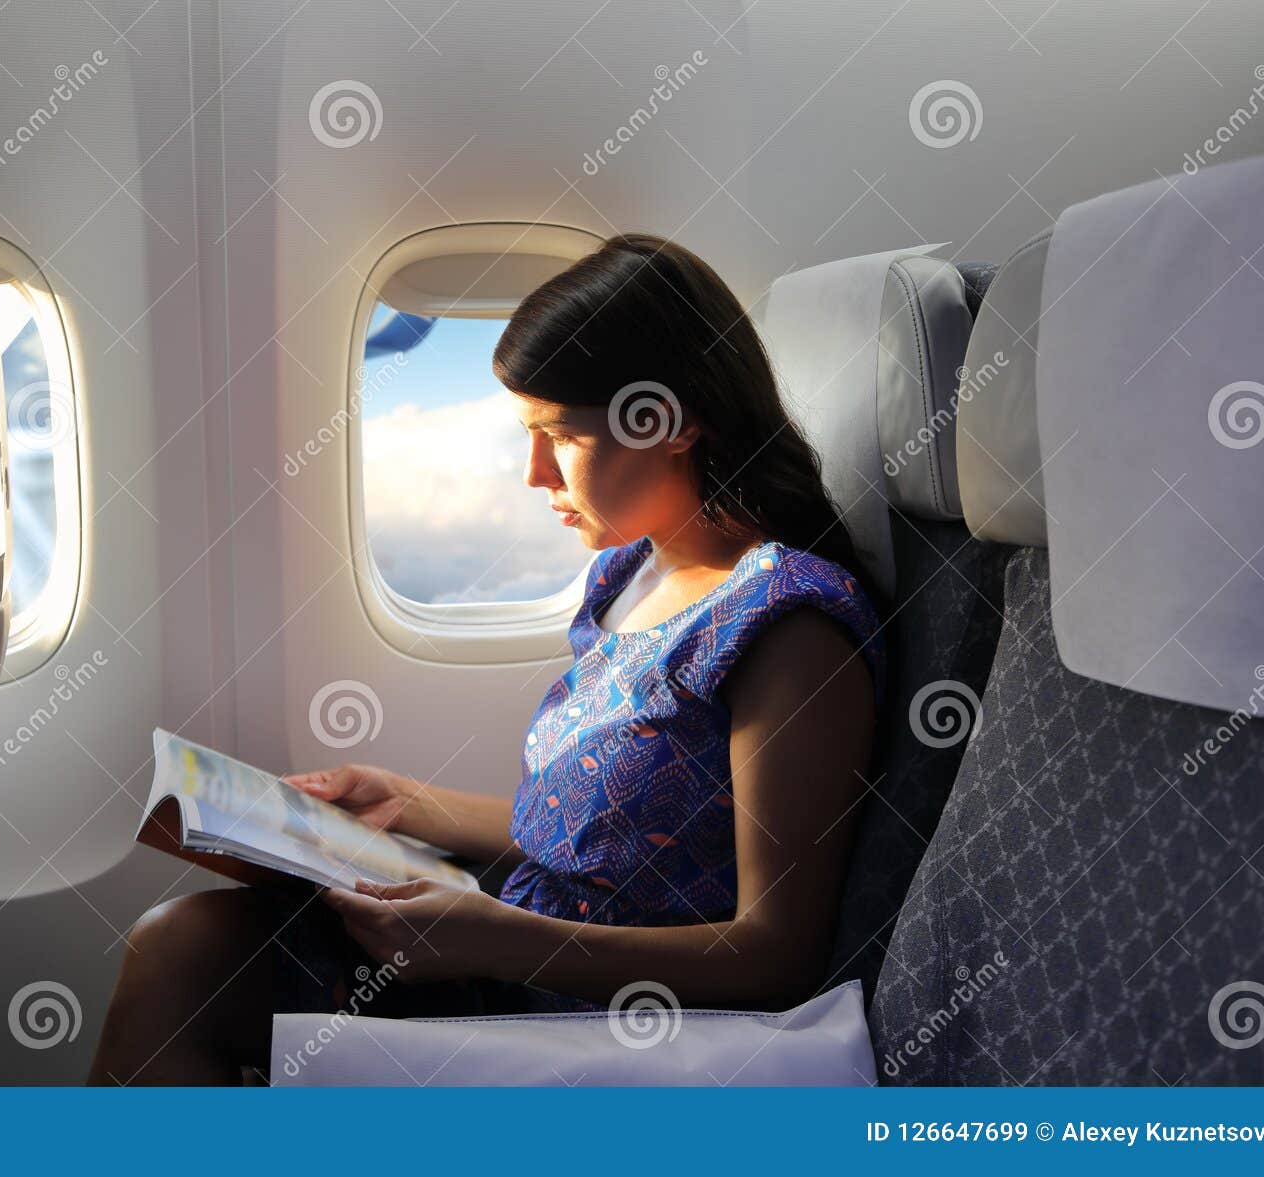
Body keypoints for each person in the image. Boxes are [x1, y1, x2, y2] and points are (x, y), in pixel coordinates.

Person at [88, 234, 884, 1085]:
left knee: (187, 967)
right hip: (513, 952)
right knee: (183, 943)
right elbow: (595, 840)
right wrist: (406, 802)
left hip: (610, 1021)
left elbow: (775, 955)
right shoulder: (629, 575)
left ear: (675, 421)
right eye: (526, 433)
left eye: (560, 437)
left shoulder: (786, 629)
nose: (534, 472)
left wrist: (492, 936)